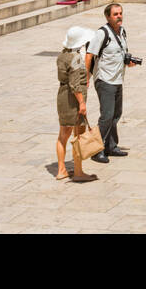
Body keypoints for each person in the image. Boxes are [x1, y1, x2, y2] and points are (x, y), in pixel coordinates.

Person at [86, 3, 138, 163]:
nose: (119, 16)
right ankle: (97, 150)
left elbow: (120, 53)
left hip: (117, 79)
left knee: (116, 114)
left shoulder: (122, 32)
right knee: (107, 116)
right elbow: (89, 55)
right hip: (105, 80)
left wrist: (128, 62)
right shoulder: (102, 34)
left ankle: (111, 146)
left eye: (121, 13)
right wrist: (86, 77)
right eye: (115, 14)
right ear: (108, 17)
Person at [55, 25, 97, 182]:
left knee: (62, 135)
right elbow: (75, 85)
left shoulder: (61, 56)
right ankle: (78, 172)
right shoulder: (77, 59)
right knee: (79, 134)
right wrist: (82, 104)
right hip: (74, 99)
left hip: (62, 96)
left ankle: (61, 170)